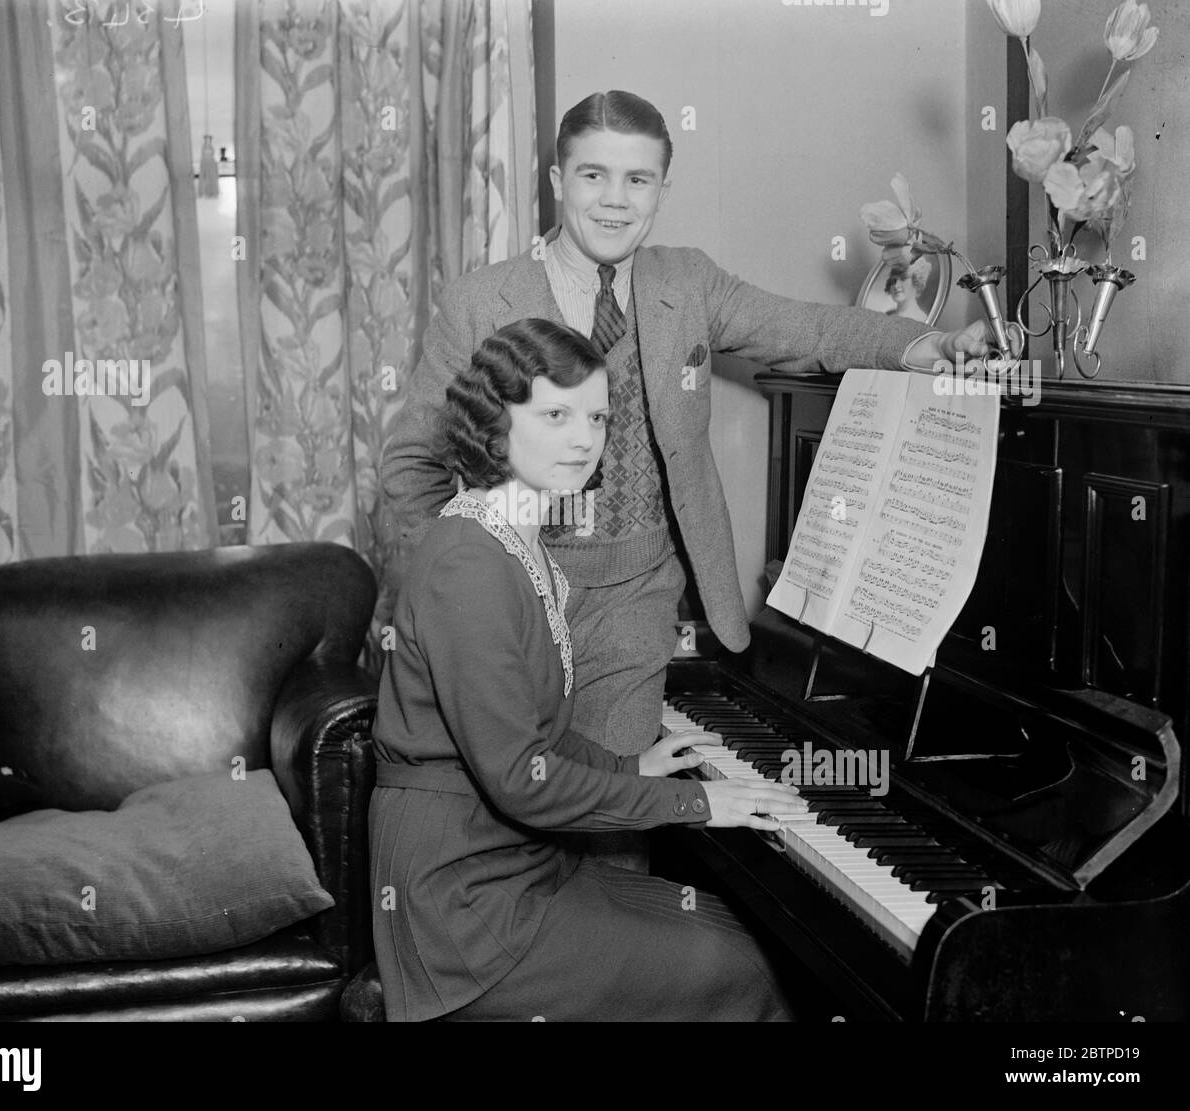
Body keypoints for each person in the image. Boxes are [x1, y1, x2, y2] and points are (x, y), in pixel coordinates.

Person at [382, 90, 992, 867]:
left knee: (612, 827)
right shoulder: (479, 301)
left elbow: (806, 328)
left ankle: (629, 957)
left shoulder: (688, 282)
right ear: (555, 180)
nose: (615, 200)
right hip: (522, 590)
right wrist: (451, 592)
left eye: (639, 181)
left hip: (638, 593)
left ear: (663, 189)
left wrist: (920, 347)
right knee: (519, 813)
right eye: (593, 175)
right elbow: (411, 465)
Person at [369, 317, 805, 1022]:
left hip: (512, 858)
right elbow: (519, 776)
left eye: (597, 415)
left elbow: (534, 726)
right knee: (729, 965)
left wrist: (631, 768)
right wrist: (698, 804)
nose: (583, 437)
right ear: (494, 420)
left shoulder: (518, 539)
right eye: (555, 414)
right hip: (459, 901)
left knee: (726, 927)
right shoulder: (467, 565)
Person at [884, 255, 932, 322]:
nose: (896, 285)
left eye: (903, 279)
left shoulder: (920, 320)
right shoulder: (888, 315)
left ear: (916, 282)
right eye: (893, 280)